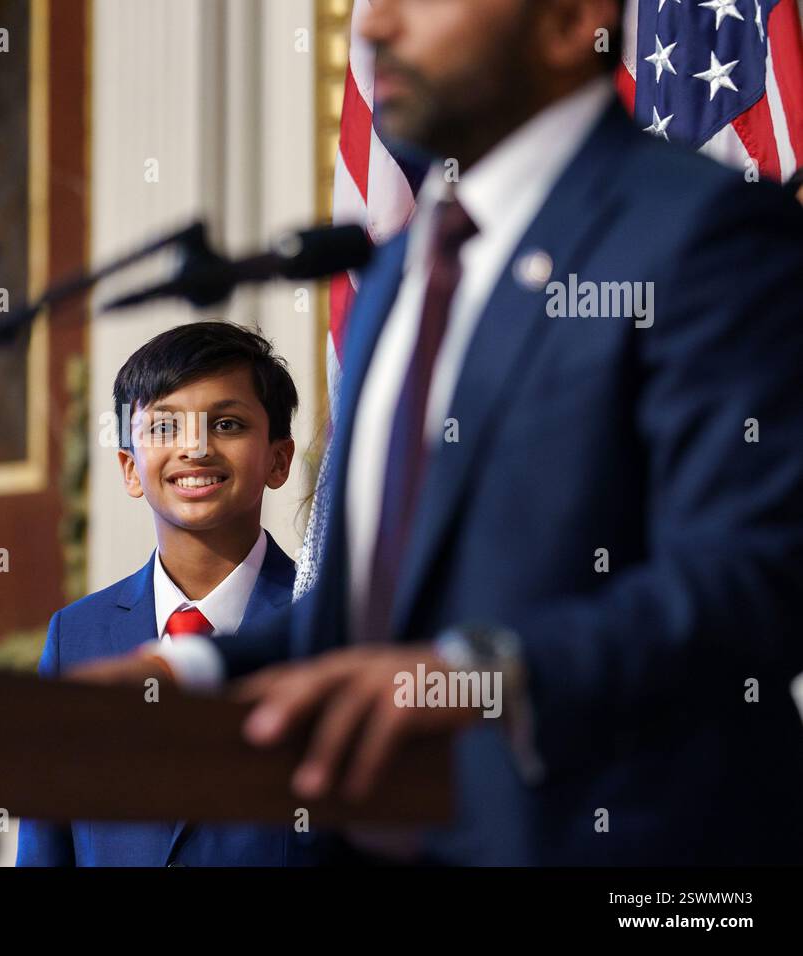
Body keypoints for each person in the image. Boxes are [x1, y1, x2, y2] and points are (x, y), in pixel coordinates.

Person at [74, 0, 803, 864]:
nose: (374, 26)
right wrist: (189, 674)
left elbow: (754, 577)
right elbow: (370, 620)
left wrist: (476, 675)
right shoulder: (402, 265)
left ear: (571, 22)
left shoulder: (703, 231)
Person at [16, 321, 329, 865]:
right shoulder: (77, 636)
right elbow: (46, 848)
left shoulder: (323, 625)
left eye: (227, 423)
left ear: (278, 460)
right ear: (130, 468)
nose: (195, 447)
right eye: (164, 427)